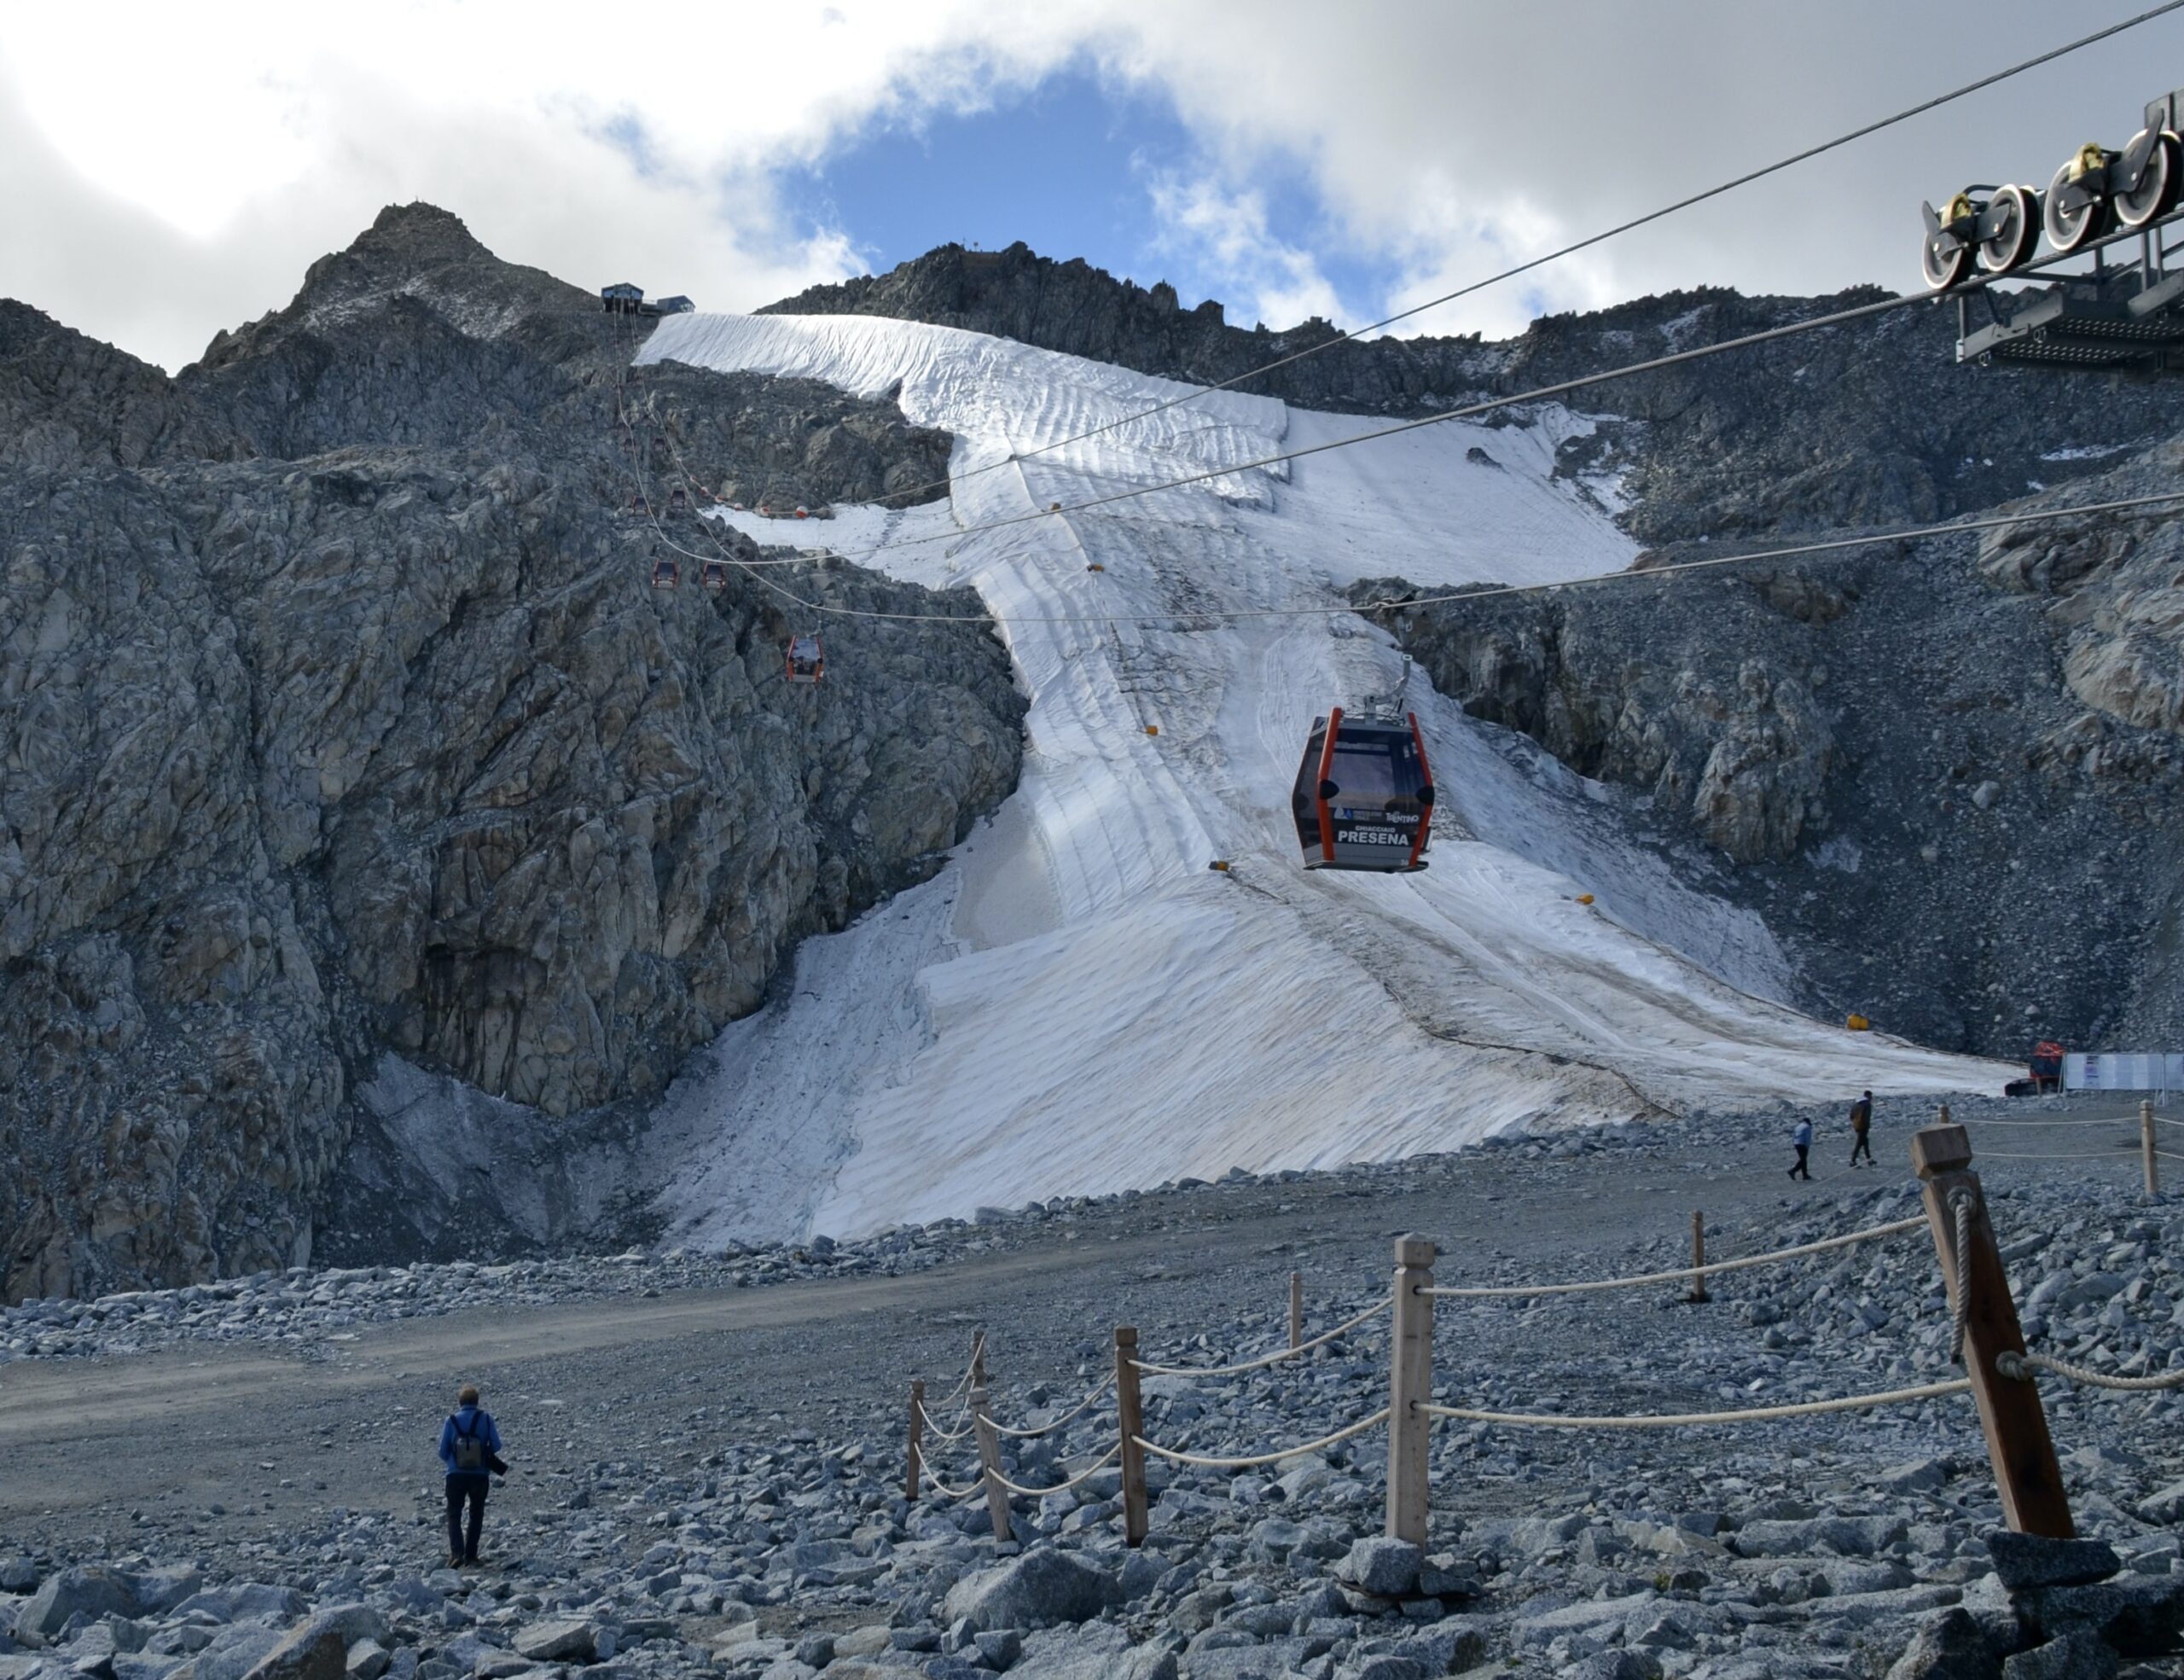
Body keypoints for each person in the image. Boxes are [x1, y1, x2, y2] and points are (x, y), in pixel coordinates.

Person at [437, 1383, 504, 1567]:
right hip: (480, 1475)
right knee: (476, 1513)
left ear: (460, 1402)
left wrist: (454, 1460)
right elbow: (497, 1445)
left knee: (454, 1513)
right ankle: (471, 1555)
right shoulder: (486, 1418)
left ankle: (456, 1553)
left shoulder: (451, 1420)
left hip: (455, 1475)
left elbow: (442, 1452)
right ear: (477, 1401)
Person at [1848, 1091, 1874, 1167]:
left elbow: (1851, 1116)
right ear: (1868, 1096)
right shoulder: (1867, 1105)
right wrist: (1866, 1126)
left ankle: (1869, 1159)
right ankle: (1853, 1161)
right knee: (1859, 1143)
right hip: (1863, 1127)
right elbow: (1867, 1117)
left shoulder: (1856, 1104)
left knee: (1865, 1142)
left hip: (1857, 1126)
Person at [1788, 1116, 1814, 1181]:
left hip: (1797, 1143)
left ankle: (1804, 1175)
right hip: (1803, 1144)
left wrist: (1794, 1143)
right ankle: (1793, 1171)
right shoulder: (1807, 1127)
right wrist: (1807, 1146)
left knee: (1803, 1159)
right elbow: (1808, 1138)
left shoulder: (1798, 1127)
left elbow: (1793, 1136)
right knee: (1803, 1160)